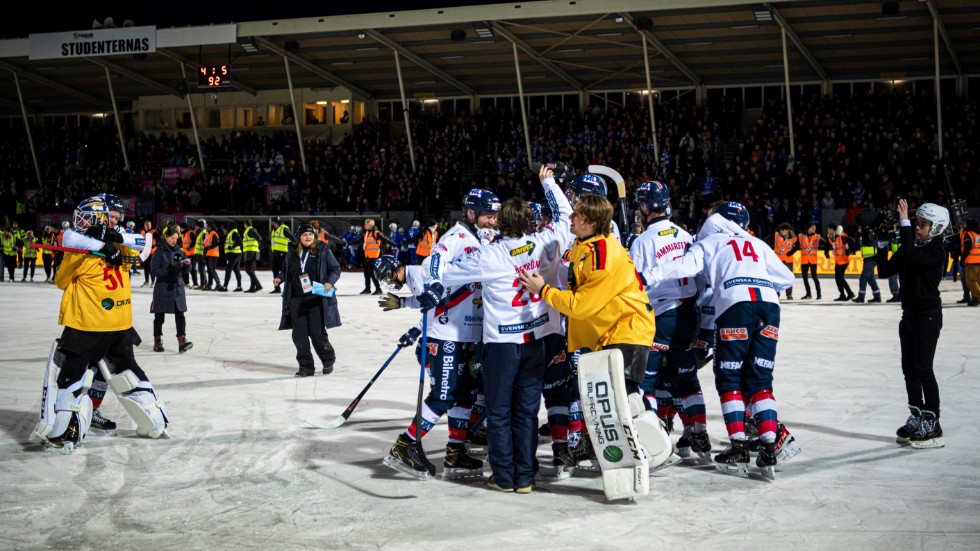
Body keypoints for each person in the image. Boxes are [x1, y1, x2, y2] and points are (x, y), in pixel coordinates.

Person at [422, 169, 570, 493]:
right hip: (537, 341)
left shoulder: (489, 256)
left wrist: (424, 284)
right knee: (527, 411)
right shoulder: (547, 243)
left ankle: (505, 477)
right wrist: (548, 182)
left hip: (503, 344)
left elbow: (442, 270)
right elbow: (566, 216)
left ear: (501, 223)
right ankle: (526, 476)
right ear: (532, 223)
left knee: (499, 411)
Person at [640, 202, 794, 479]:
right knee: (760, 380)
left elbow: (680, 267)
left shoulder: (708, 241)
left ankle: (738, 447)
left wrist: (645, 276)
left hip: (735, 307)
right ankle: (770, 447)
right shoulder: (755, 242)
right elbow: (786, 278)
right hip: (769, 307)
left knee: (729, 378)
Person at [377, 188, 502, 481]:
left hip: (470, 332)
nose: (492, 221)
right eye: (487, 215)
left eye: (495, 215)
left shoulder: (482, 239)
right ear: (470, 213)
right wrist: (433, 284)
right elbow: (435, 260)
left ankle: (454, 452)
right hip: (446, 334)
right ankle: (404, 446)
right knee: (444, 395)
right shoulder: (457, 237)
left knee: (466, 395)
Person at [29, 196, 169, 454]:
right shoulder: (122, 245)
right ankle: (155, 419)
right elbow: (132, 258)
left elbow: (61, 281)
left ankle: (65, 431)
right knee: (127, 369)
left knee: (72, 374)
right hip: (121, 322)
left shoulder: (82, 253)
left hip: (88, 323)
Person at [628, 179, 710, 461]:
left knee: (646, 381)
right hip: (690, 315)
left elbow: (634, 285)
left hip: (660, 318)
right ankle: (698, 432)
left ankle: (656, 438)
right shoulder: (686, 236)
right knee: (686, 377)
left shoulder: (643, 241)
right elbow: (702, 280)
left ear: (643, 207)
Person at [875, 200, 950, 449]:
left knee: (923, 369)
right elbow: (885, 270)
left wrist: (904, 221)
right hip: (908, 317)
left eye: (922, 224)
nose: (917, 228)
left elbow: (911, 255)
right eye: (916, 224)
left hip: (928, 317)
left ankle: (933, 422)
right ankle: (917, 416)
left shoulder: (936, 251)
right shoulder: (913, 248)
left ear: (936, 228)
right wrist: (882, 243)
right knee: (909, 369)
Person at [274, 223, 341, 377]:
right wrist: (280, 278)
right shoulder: (292, 252)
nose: (307, 237)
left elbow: (335, 269)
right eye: (304, 235)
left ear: (314, 236)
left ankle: (328, 358)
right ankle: (306, 367)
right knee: (299, 335)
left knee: (317, 333)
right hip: (296, 299)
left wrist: (330, 282)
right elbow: (285, 270)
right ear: (300, 237)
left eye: (310, 234)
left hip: (315, 299)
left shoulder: (322, 250)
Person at [150, 226, 194, 354]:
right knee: (159, 315)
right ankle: (157, 340)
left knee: (180, 314)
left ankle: (182, 341)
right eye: (172, 238)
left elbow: (187, 269)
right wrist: (167, 271)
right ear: (166, 237)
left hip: (177, 288)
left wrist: (187, 265)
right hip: (163, 288)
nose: (174, 240)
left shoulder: (180, 252)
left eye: (176, 238)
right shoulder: (159, 252)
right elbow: (154, 270)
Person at [346, 218, 394, 295]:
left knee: (372, 273)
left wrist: (395, 245)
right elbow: (358, 241)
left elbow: (386, 239)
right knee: (366, 273)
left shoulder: (376, 233)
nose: (365, 225)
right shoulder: (366, 234)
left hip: (374, 256)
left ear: (370, 225)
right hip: (367, 256)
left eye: (366, 224)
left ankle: (378, 289)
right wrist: (348, 243)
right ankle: (367, 288)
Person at [824, 223, 855, 301]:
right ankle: (842, 295)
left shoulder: (842, 236)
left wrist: (851, 250)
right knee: (837, 278)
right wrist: (826, 252)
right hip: (838, 261)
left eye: (828, 229)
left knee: (840, 278)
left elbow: (852, 241)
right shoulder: (830, 237)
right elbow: (827, 244)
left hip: (844, 260)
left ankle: (850, 293)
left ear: (832, 230)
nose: (827, 230)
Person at [853, 225, 882, 303]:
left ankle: (861, 297)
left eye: (859, 228)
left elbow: (870, 243)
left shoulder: (868, 234)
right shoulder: (863, 235)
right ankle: (877, 296)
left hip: (871, 259)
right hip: (868, 259)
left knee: (863, 277)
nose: (858, 230)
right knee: (870, 278)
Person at [269, 216, 294, 294]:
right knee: (275, 270)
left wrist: (292, 246)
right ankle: (277, 288)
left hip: (283, 253)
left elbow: (292, 238)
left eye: (274, 222)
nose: (274, 223)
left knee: (284, 271)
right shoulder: (274, 230)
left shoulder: (284, 228)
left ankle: (289, 288)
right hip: (275, 253)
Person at [797, 223, 822, 299]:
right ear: (809, 228)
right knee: (805, 278)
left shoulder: (817, 236)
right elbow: (796, 244)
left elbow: (823, 243)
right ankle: (808, 294)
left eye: (815, 228)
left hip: (812, 260)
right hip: (804, 260)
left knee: (815, 277)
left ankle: (819, 294)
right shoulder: (801, 236)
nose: (814, 229)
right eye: (813, 227)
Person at [773, 223, 796, 300]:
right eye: (780, 230)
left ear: (787, 231)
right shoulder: (777, 236)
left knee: (788, 277)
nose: (781, 231)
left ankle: (789, 294)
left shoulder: (793, 238)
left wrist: (791, 252)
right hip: (778, 260)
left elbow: (797, 246)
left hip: (788, 260)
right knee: (776, 277)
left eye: (783, 230)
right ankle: (776, 293)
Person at [241, 218, 264, 293]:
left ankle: (258, 285)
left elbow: (260, 238)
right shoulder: (248, 231)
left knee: (249, 270)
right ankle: (252, 287)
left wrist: (258, 248)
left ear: (245, 224)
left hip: (252, 252)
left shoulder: (250, 230)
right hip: (250, 252)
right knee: (251, 270)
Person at [961, 218, 980, 306]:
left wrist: (963, 260)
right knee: (978, 281)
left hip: (971, 261)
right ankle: (975, 300)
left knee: (970, 281)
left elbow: (967, 249)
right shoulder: (978, 234)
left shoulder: (969, 234)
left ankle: (978, 297)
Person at [221, 220, 243, 292]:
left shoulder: (233, 232)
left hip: (232, 254)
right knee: (236, 270)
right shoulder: (233, 232)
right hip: (236, 253)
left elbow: (239, 241)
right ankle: (239, 286)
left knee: (228, 270)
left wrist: (232, 247)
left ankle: (225, 287)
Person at [202, 220, 222, 291]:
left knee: (212, 270)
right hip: (208, 254)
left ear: (210, 227)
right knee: (210, 270)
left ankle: (218, 284)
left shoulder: (213, 234)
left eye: (207, 226)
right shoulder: (207, 234)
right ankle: (209, 285)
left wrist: (208, 248)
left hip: (213, 254)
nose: (206, 227)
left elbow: (217, 243)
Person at [140, 219, 157, 288]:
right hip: (145, 253)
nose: (148, 226)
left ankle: (153, 281)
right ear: (144, 225)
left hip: (152, 253)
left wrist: (154, 246)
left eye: (149, 224)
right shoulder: (143, 232)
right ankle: (146, 281)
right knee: (146, 267)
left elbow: (159, 241)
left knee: (151, 267)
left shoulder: (154, 232)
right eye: (147, 225)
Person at [192, 219, 208, 290]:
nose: (195, 227)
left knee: (201, 269)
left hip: (201, 254)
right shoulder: (199, 233)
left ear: (199, 226)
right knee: (201, 269)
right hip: (199, 254)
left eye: (196, 226)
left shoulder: (203, 233)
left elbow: (206, 244)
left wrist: (204, 254)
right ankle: (205, 283)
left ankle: (203, 284)